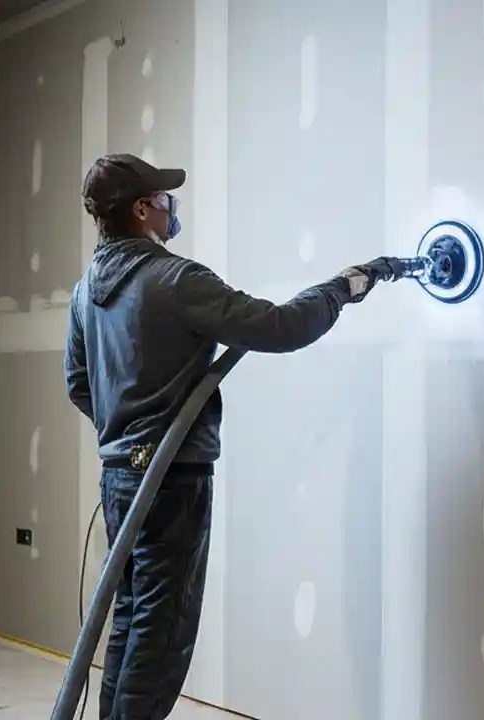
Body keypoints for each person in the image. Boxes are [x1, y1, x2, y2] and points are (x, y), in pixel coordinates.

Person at [64, 153, 396, 720]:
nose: (173, 208)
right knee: (161, 629)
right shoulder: (173, 279)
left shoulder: (86, 291)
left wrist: (129, 434)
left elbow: (78, 384)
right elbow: (280, 327)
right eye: (165, 198)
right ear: (143, 209)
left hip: (120, 478)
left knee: (129, 614)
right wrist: (341, 287)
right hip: (171, 482)